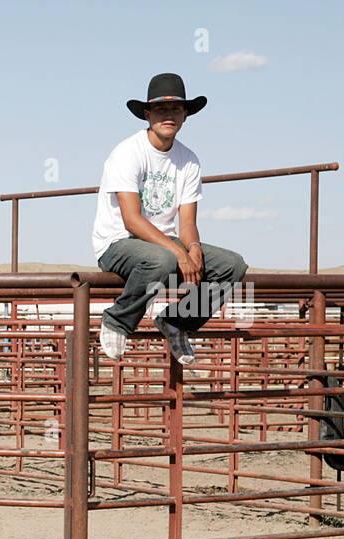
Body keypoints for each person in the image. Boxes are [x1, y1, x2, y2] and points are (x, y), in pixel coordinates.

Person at [91, 72, 248, 365]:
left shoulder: (188, 160)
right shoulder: (127, 153)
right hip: (119, 243)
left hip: (163, 242)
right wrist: (178, 251)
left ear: (185, 114)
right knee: (161, 260)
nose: (169, 115)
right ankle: (117, 321)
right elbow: (131, 219)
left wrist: (194, 248)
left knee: (232, 266)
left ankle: (176, 321)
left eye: (176, 109)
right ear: (147, 114)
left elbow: (187, 222)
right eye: (161, 109)